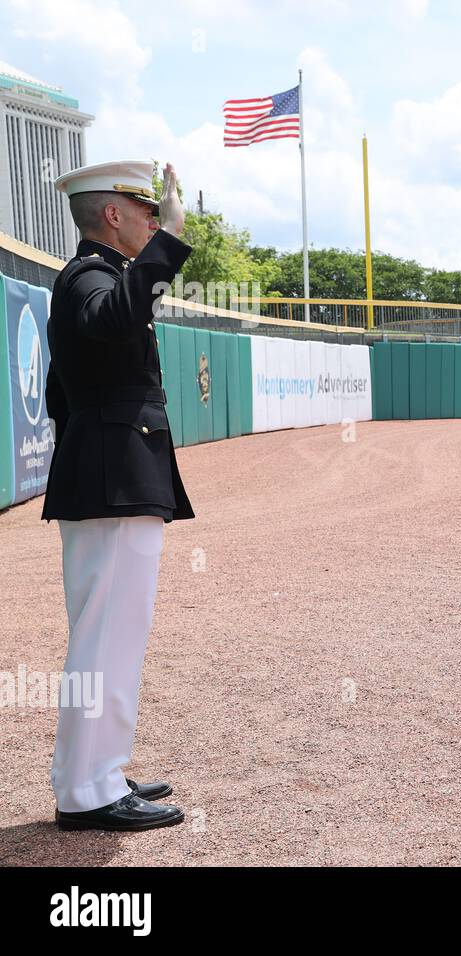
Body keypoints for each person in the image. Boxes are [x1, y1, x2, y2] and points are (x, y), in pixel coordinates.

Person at [43, 160, 193, 831]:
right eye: (147, 211)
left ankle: (96, 773)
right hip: (112, 477)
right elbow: (116, 318)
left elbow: (58, 393)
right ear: (113, 214)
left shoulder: (90, 277)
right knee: (107, 638)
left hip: (105, 472)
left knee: (108, 635)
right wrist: (173, 245)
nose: (154, 221)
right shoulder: (90, 276)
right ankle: (88, 791)